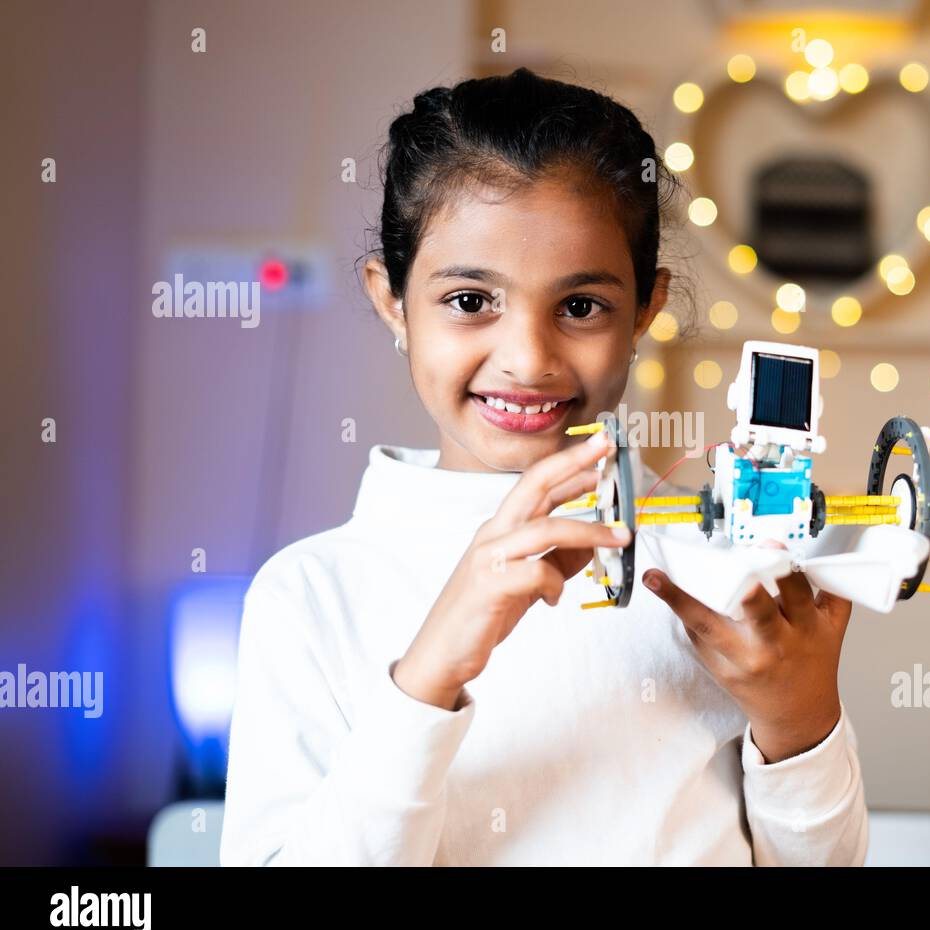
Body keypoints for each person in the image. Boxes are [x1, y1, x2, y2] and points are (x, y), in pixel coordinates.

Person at [219, 68, 868, 866]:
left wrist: (802, 723)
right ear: (392, 300)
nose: (528, 360)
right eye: (469, 301)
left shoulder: (720, 575)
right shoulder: (310, 594)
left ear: (645, 311)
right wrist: (429, 675)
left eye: (581, 307)